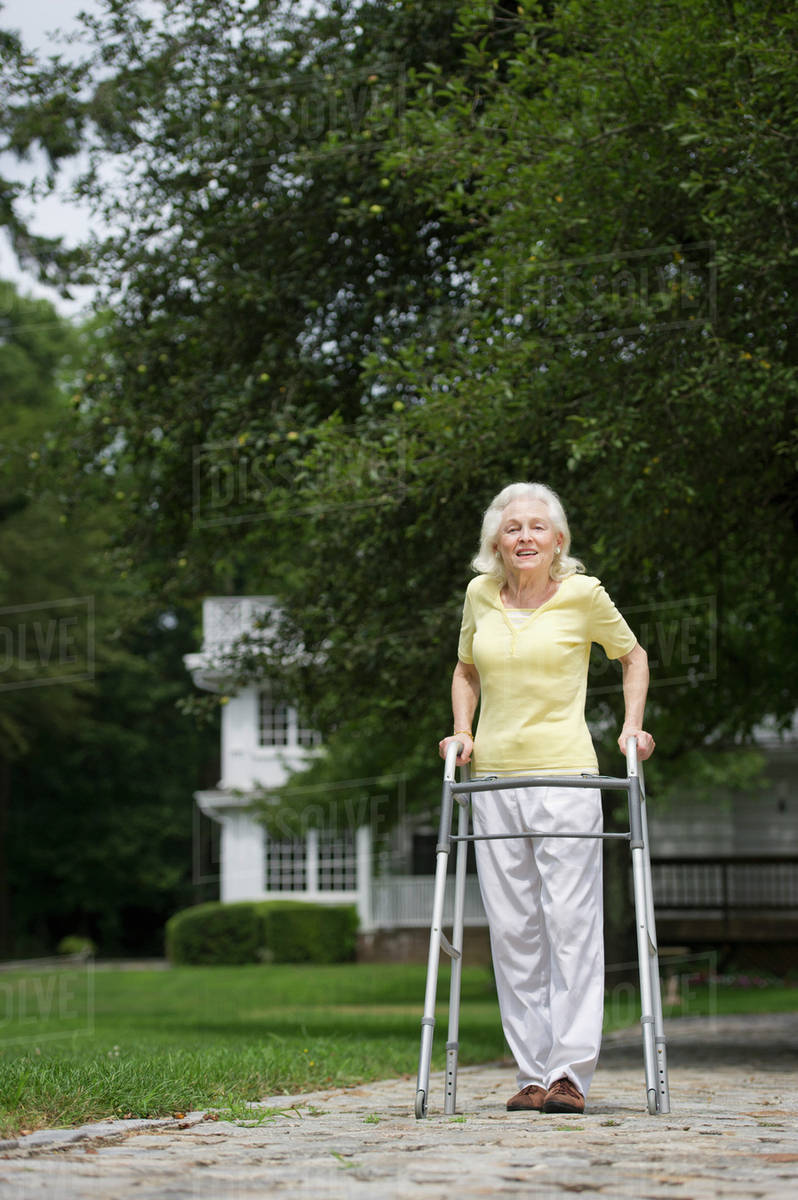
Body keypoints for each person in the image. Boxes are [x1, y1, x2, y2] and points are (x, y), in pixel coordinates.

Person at [438, 481, 655, 1116]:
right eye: (513, 528)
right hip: (496, 783)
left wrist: (632, 726)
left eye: (538, 527)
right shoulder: (480, 595)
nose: (525, 536)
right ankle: (531, 1073)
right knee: (513, 931)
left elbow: (633, 656)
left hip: (566, 777)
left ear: (558, 540)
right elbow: (465, 670)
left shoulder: (584, 596)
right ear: (496, 543)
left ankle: (569, 1074)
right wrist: (462, 731)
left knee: (570, 925)